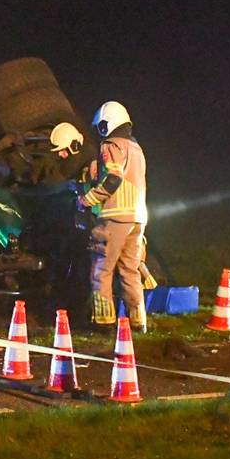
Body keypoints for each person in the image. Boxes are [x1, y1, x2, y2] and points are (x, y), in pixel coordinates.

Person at [78, 101, 148, 330]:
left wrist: (86, 199)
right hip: (137, 218)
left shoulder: (110, 145)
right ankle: (139, 323)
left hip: (114, 217)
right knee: (130, 271)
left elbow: (113, 179)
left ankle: (104, 322)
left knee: (101, 269)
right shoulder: (136, 148)